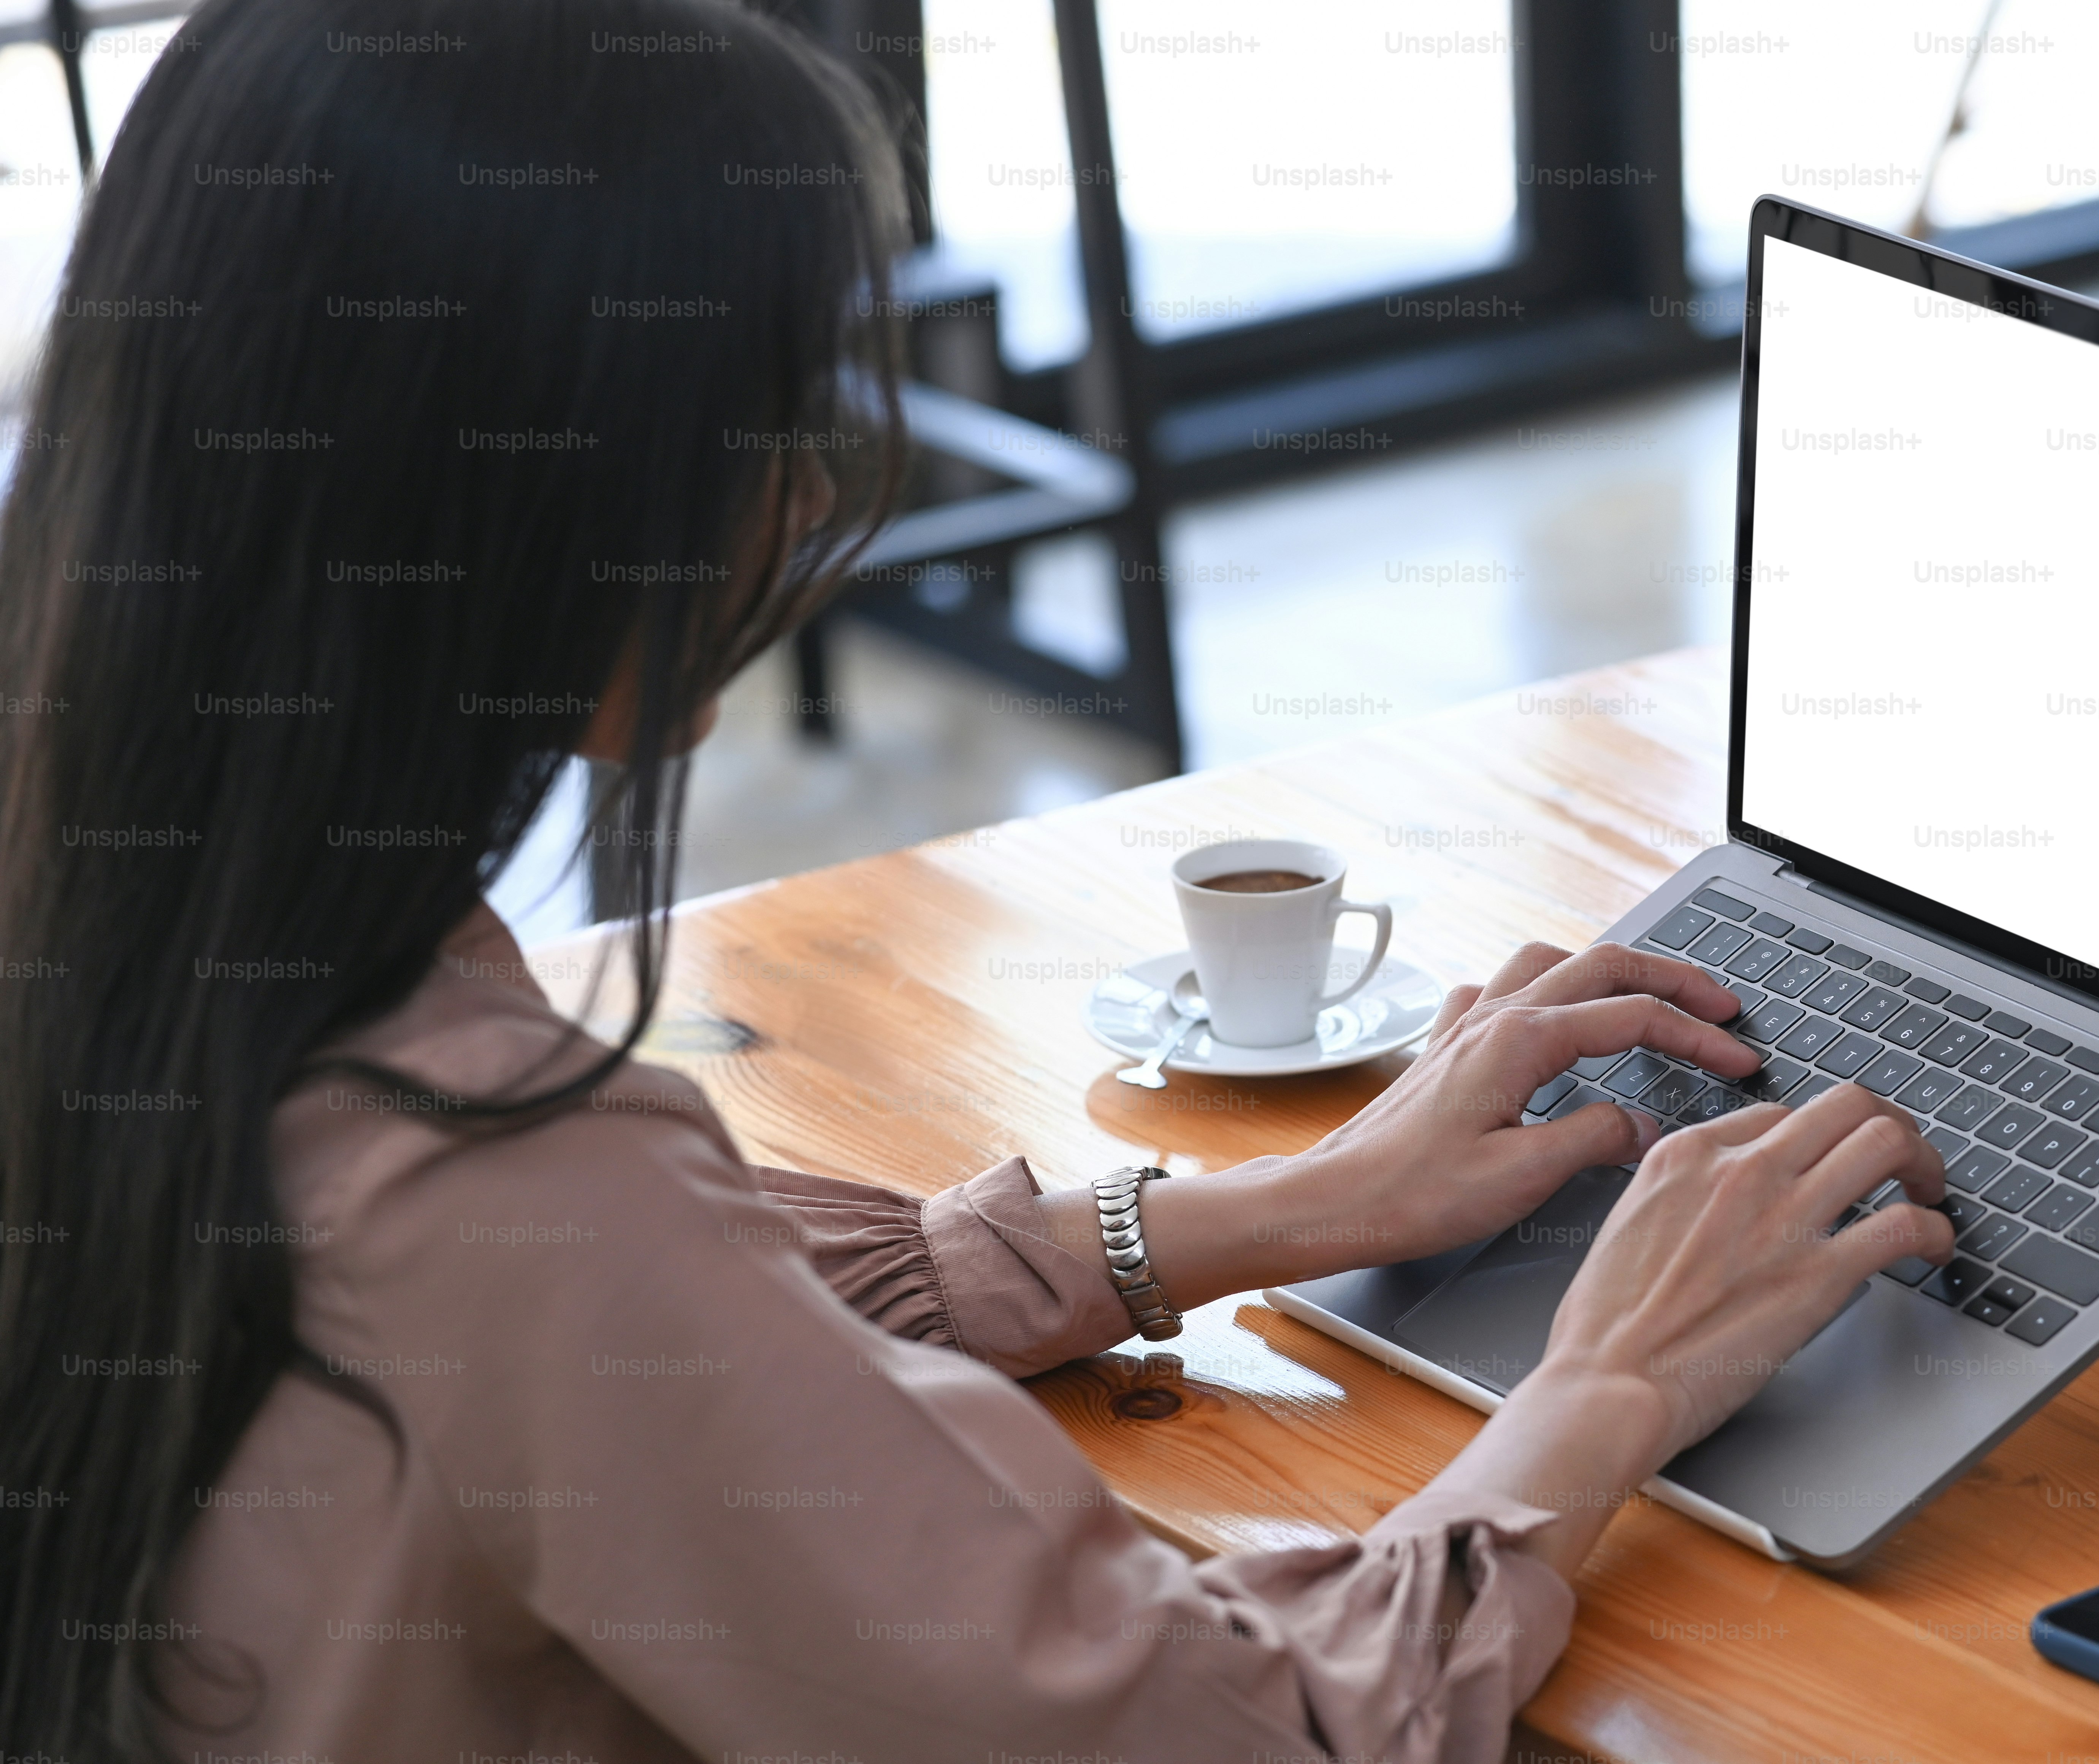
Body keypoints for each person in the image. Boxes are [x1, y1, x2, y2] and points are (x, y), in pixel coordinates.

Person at [0, 1, 1954, 1758]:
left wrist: (1286, 1205)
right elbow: (1239, 1728)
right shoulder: (495, 1180)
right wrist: (1614, 1378)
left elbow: (706, 1349)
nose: (812, 492)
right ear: (542, 489)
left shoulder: (147, 898)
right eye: (773, 412)